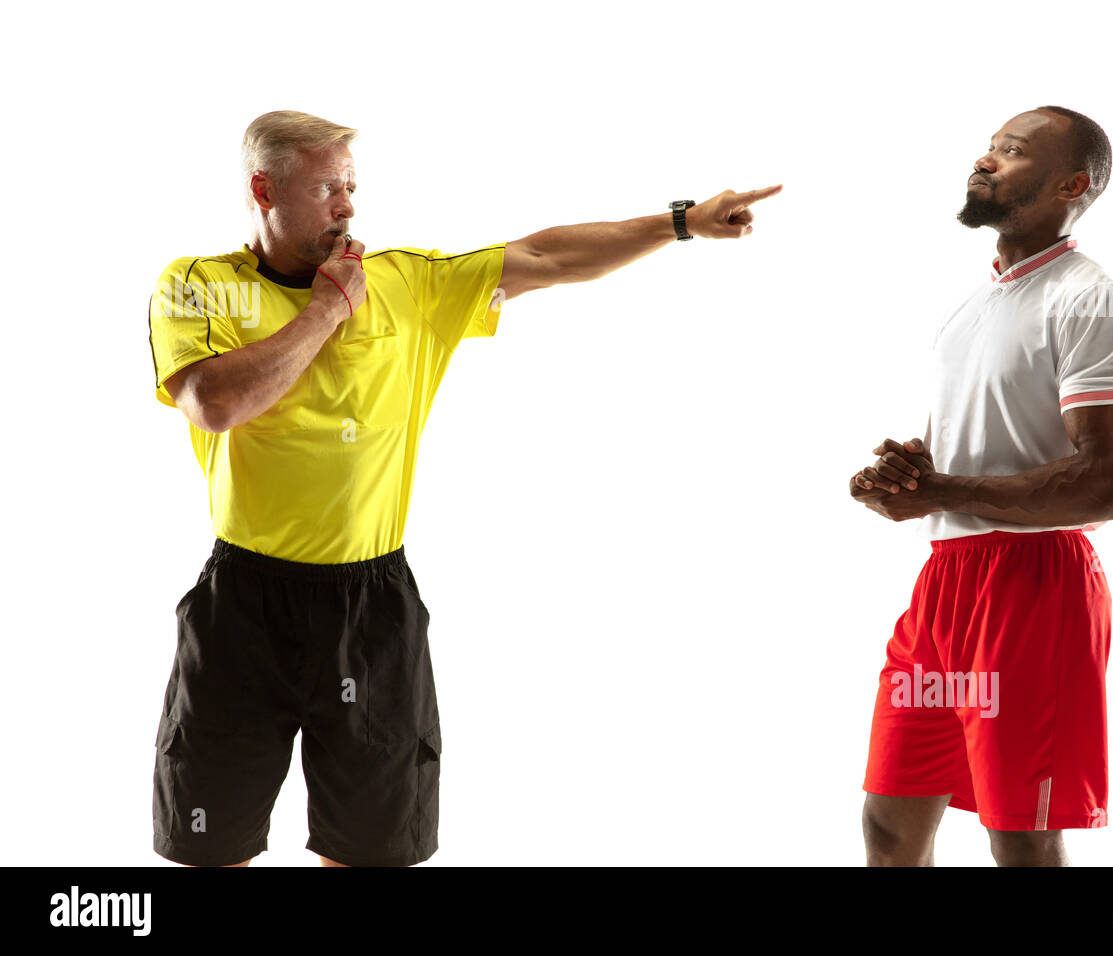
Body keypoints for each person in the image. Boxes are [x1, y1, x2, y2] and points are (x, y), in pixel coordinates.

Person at [149, 109, 782, 867]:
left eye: (352, 187)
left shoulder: (407, 282)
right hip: (244, 603)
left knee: (373, 851)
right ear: (263, 188)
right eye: (327, 189)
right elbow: (216, 404)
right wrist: (325, 310)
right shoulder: (198, 285)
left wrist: (680, 222)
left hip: (371, 607)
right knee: (208, 848)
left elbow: (544, 255)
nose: (349, 206)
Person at [849, 106, 1113, 866]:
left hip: (1032, 589)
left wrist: (944, 488)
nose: (985, 161)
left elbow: (1110, 487)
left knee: (1020, 835)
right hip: (943, 590)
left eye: (1012, 153)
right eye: (988, 147)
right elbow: (973, 455)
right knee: (889, 825)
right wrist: (902, 477)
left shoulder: (1089, 299)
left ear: (1070, 184)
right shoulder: (974, 308)